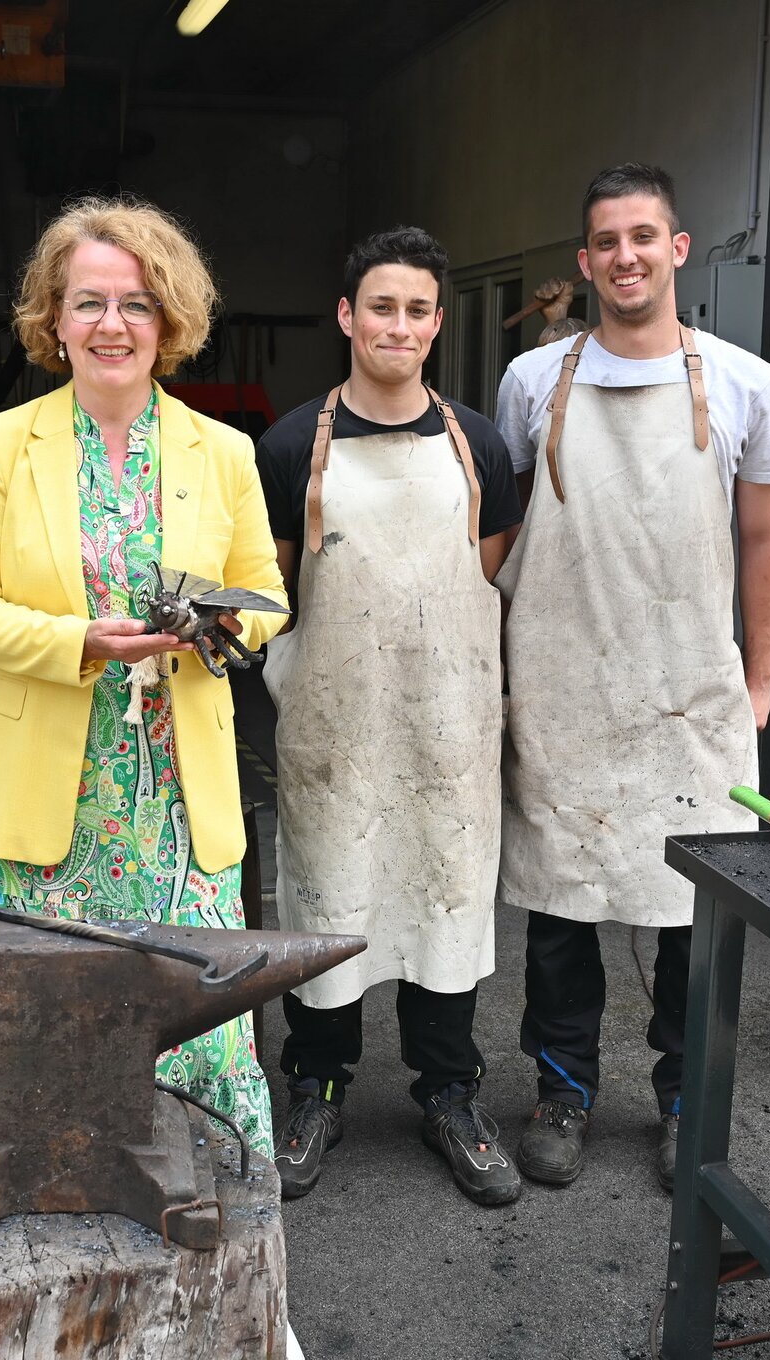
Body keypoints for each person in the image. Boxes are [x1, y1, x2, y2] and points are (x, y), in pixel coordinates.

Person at [0, 197, 287, 1160]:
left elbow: (266, 597)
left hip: (178, 791)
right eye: (89, 303)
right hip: (48, 787)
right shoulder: (3, 445)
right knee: (43, 1017)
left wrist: (213, 624)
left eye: (136, 304)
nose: (113, 325)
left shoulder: (226, 453)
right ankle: (53, 1224)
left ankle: (218, 1217)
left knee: (198, 1012)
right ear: (54, 320)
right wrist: (81, 640)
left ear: (168, 322)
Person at [495, 163, 770, 1192]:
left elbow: (761, 537)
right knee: (560, 907)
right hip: (563, 682)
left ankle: (681, 1099)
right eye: (604, 241)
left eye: (642, 236)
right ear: (582, 264)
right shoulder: (533, 381)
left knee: (689, 915)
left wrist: (756, 678)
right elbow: (507, 531)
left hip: (686, 694)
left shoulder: (747, 383)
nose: (624, 255)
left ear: (675, 247)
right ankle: (561, 1089)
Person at [254, 227, 525, 1205]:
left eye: (415, 309)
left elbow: (487, 578)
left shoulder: (478, 441)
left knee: (444, 903)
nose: (396, 325)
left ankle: (449, 1091)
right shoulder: (291, 445)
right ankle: (316, 1085)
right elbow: (268, 592)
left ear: (435, 323)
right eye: (380, 306)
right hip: (334, 732)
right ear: (345, 316)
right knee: (327, 905)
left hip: (443, 729)